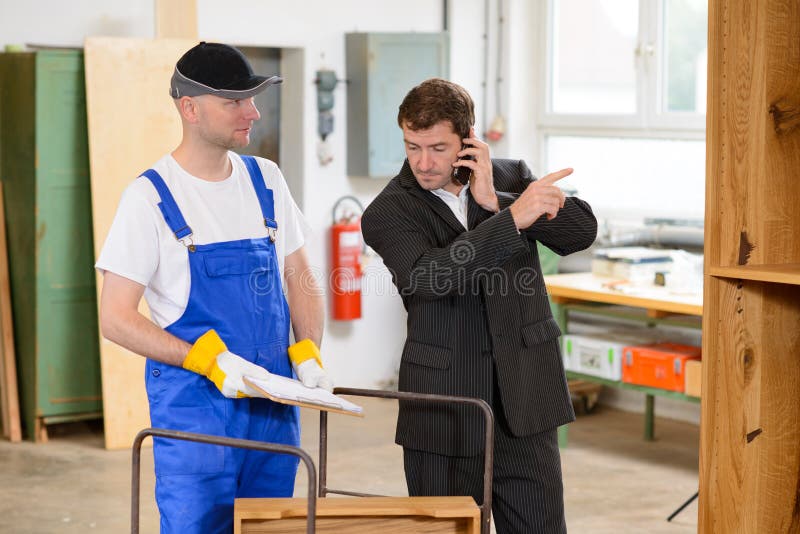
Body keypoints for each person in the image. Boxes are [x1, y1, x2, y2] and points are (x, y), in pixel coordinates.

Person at [96, 42, 331, 533]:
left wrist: (308, 348)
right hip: (198, 413)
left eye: (252, 98)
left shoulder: (265, 179)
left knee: (269, 526)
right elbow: (114, 317)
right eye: (235, 101)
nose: (253, 112)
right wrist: (206, 360)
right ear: (190, 108)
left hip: (271, 404)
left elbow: (301, 276)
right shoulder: (149, 198)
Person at [361, 78, 597, 533]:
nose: (423, 163)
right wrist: (511, 219)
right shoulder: (387, 211)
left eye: (437, 148)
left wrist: (498, 201)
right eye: (413, 147)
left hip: (526, 401)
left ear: (468, 141)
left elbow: (580, 234)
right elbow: (432, 277)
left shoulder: (511, 179)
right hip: (446, 410)